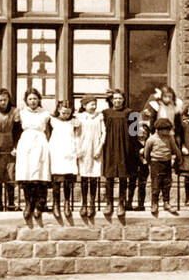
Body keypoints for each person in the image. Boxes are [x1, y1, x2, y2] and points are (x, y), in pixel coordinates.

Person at [101, 91, 140, 219]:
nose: (117, 100)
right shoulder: (105, 113)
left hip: (125, 147)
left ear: (123, 100)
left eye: (120, 98)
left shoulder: (132, 113)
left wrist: (134, 150)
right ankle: (109, 203)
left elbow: (135, 134)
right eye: (115, 98)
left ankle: (121, 203)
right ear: (111, 100)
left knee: (123, 176)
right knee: (109, 176)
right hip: (110, 147)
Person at [14, 90, 52, 222]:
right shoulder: (21, 113)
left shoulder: (45, 114)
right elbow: (16, 131)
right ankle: (28, 204)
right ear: (26, 100)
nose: (33, 101)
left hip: (40, 143)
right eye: (30, 99)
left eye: (35, 99)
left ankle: (39, 205)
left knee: (39, 174)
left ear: (39, 99)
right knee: (26, 174)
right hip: (26, 143)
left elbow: (49, 131)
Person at [48, 99, 80, 220]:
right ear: (58, 111)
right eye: (63, 113)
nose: (65, 115)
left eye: (68, 113)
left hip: (69, 152)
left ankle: (67, 203)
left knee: (67, 180)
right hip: (57, 152)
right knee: (56, 180)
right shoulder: (53, 121)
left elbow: (77, 136)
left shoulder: (74, 122)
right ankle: (56, 204)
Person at [0, 88, 19, 211]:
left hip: (10, 146)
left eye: (5, 100)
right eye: (0, 100)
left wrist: (15, 146)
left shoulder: (14, 112)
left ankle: (11, 203)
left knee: (10, 175)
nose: (3, 102)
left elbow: (17, 131)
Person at [142, 117, 181, 216]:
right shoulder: (152, 139)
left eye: (168, 129)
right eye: (165, 129)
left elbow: (175, 149)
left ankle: (166, 202)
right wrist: (149, 162)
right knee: (156, 184)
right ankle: (154, 203)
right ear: (158, 129)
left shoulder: (169, 138)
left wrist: (179, 157)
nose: (167, 131)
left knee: (167, 183)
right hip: (156, 163)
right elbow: (146, 152)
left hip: (166, 163)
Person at [75, 97, 105, 219]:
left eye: (95, 104)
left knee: (93, 177)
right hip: (84, 149)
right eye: (91, 104)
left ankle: (92, 203)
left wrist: (99, 148)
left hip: (95, 149)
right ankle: (84, 204)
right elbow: (76, 134)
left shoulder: (100, 117)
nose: (93, 107)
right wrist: (78, 148)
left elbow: (104, 133)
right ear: (85, 105)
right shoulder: (79, 117)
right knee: (84, 177)